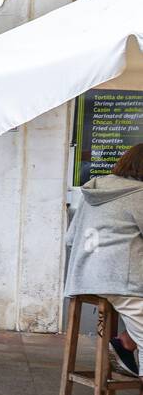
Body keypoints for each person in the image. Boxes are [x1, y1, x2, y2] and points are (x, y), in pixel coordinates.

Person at [64, 143, 143, 376]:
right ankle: (128, 342)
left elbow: (70, 239)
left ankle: (127, 342)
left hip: (84, 278)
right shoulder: (139, 195)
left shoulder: (94, 190)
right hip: (120, 282)